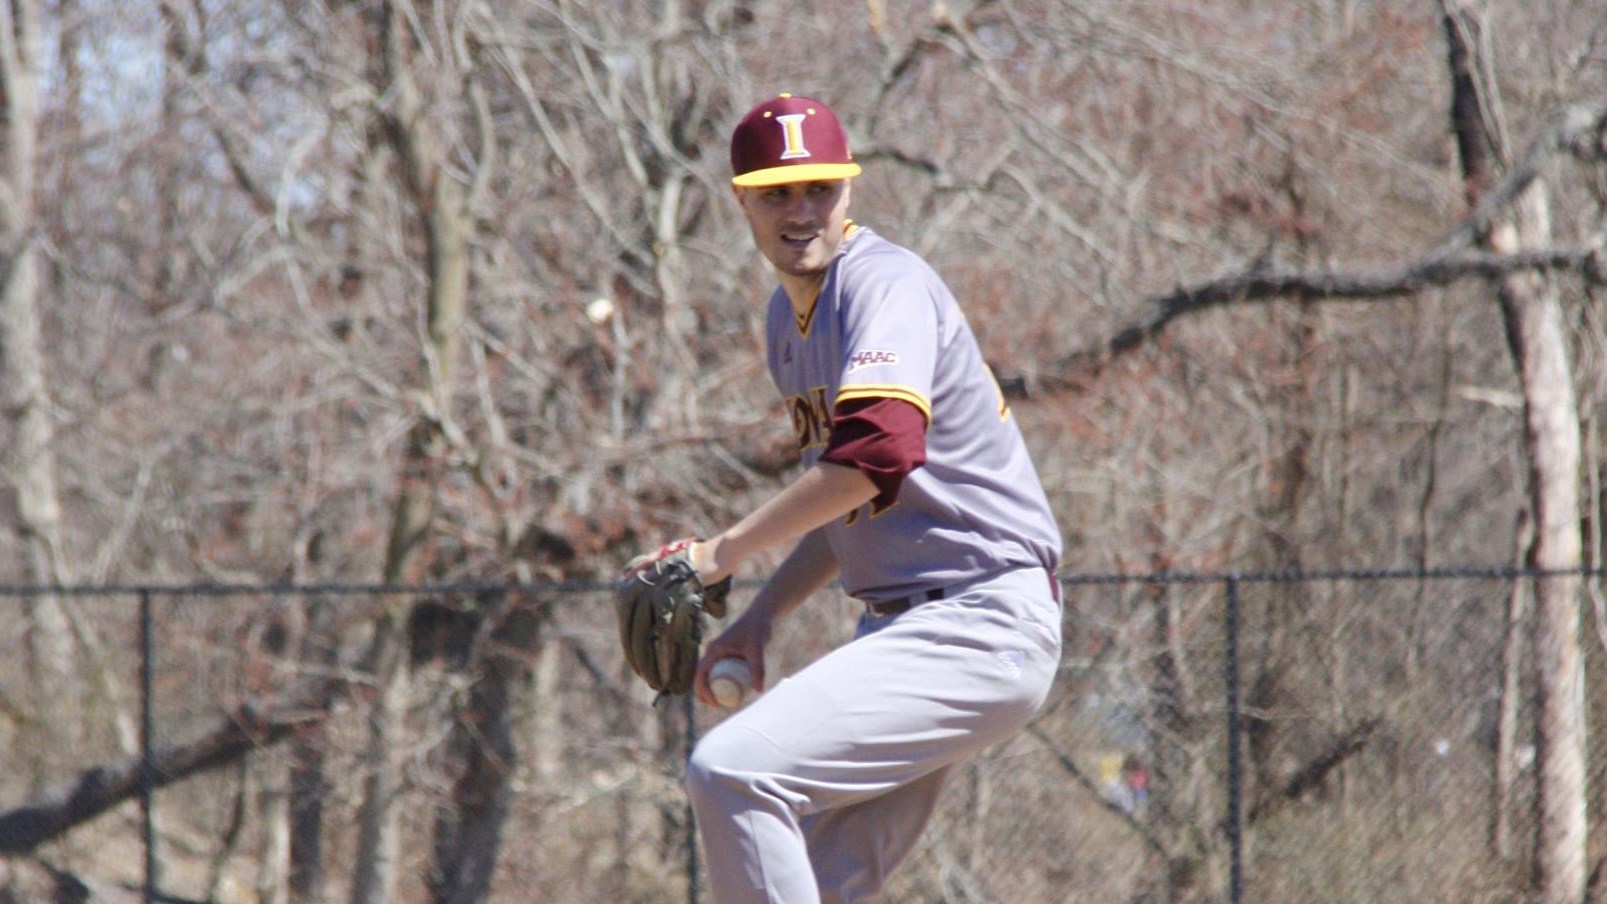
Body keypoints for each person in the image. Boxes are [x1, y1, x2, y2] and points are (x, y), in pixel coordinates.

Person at [633, 93, 1064, 904]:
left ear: (849, 191)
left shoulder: (882, 282)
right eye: (775, 193)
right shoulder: (785, 320)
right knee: (822, 884)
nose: (800, 211)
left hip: (977, 621)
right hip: (909, 631)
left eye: (818, 189)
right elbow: (845, 505)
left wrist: (719, 554)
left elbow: (876, 454)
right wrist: (759, 619)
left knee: (731, 774)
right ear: (741, 201)